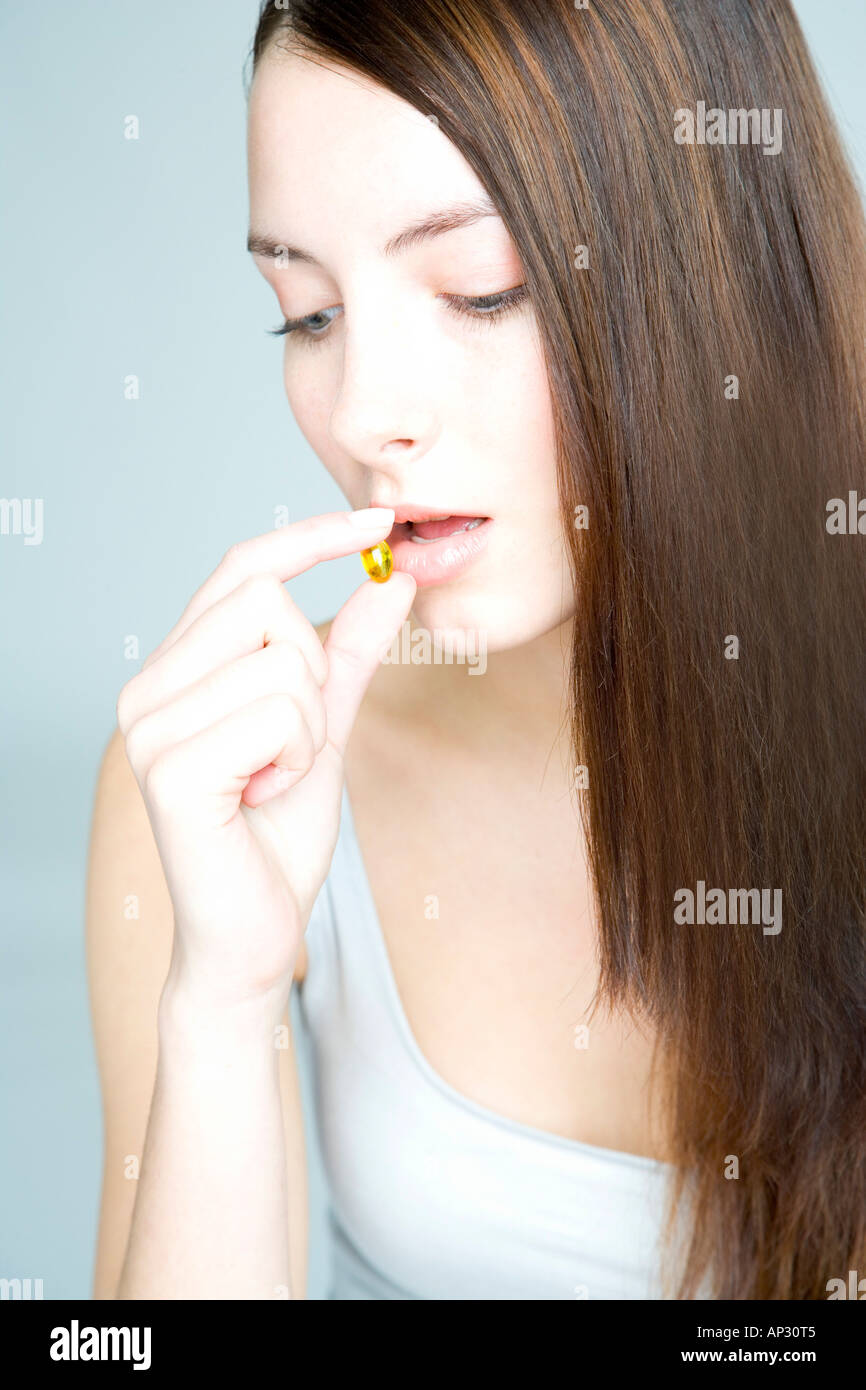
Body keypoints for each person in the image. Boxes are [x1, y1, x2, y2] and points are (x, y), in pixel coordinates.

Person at [86, 0, 866, 1300]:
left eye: (478, 288)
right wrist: (219, 1001)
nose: (362, 413)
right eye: (308, 313)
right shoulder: (222, 783)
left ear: (716, 267)